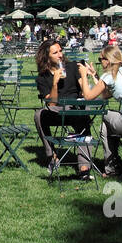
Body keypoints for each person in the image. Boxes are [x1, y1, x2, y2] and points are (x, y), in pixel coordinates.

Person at [77, 45, 122, 175]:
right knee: (106, 128)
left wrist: (83, 75)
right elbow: (105, 94)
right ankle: (112, 165)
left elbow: (88, 97)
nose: (100, 63)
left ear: (107, 60)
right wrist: (94, 76)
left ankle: (112, 167)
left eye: (100, 60)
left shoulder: (109, 75)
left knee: (105, 117)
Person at [35, 40, 92, 174]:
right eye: (55, 53)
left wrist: (86, 76)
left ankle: (84, 166)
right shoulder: (42, 77)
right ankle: (52, 157)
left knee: (84, 111)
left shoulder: (72, 67)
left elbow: (85, 92)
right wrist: (54, 83)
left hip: (74, 107)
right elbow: (51, 104)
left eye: (60, 51)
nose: (60, 55)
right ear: (46, 56)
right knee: (39, 114)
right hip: (56, 111)